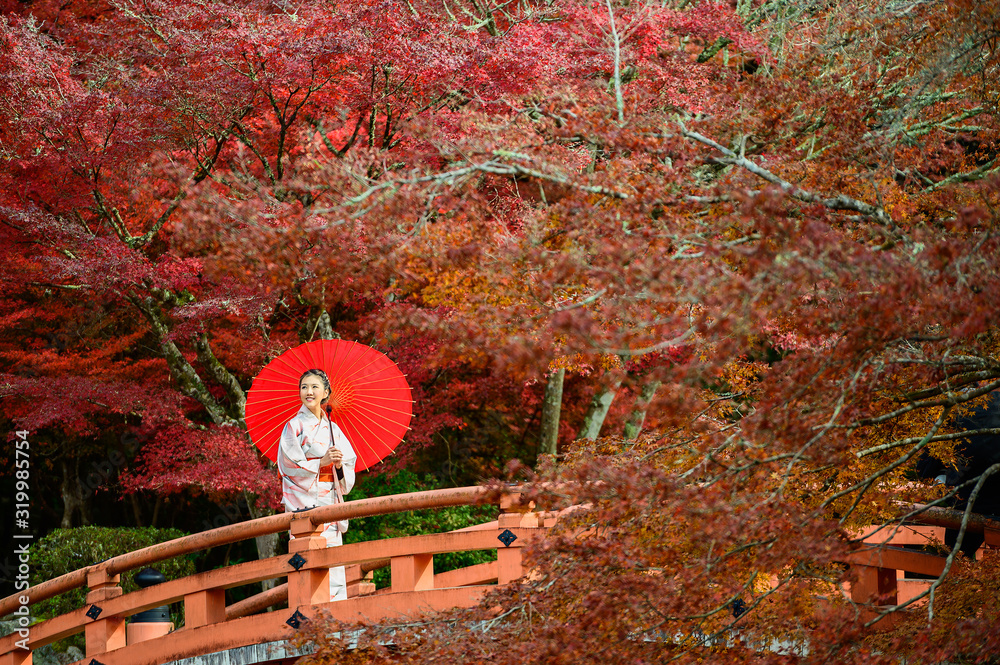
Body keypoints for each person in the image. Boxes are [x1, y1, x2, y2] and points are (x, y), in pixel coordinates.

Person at [277, 368, 358, 600]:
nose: (308, 392)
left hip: (330, 504)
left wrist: (339, 465)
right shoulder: (294, 427)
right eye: (304, 387)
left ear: (326, 393)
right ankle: (307, 623)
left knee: (333, 566)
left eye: (314, 387)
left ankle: (335, 625)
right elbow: (289, 466)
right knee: (307, 564)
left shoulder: (333, 428)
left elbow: (348, 466)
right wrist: (320, 462)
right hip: (305, 504)